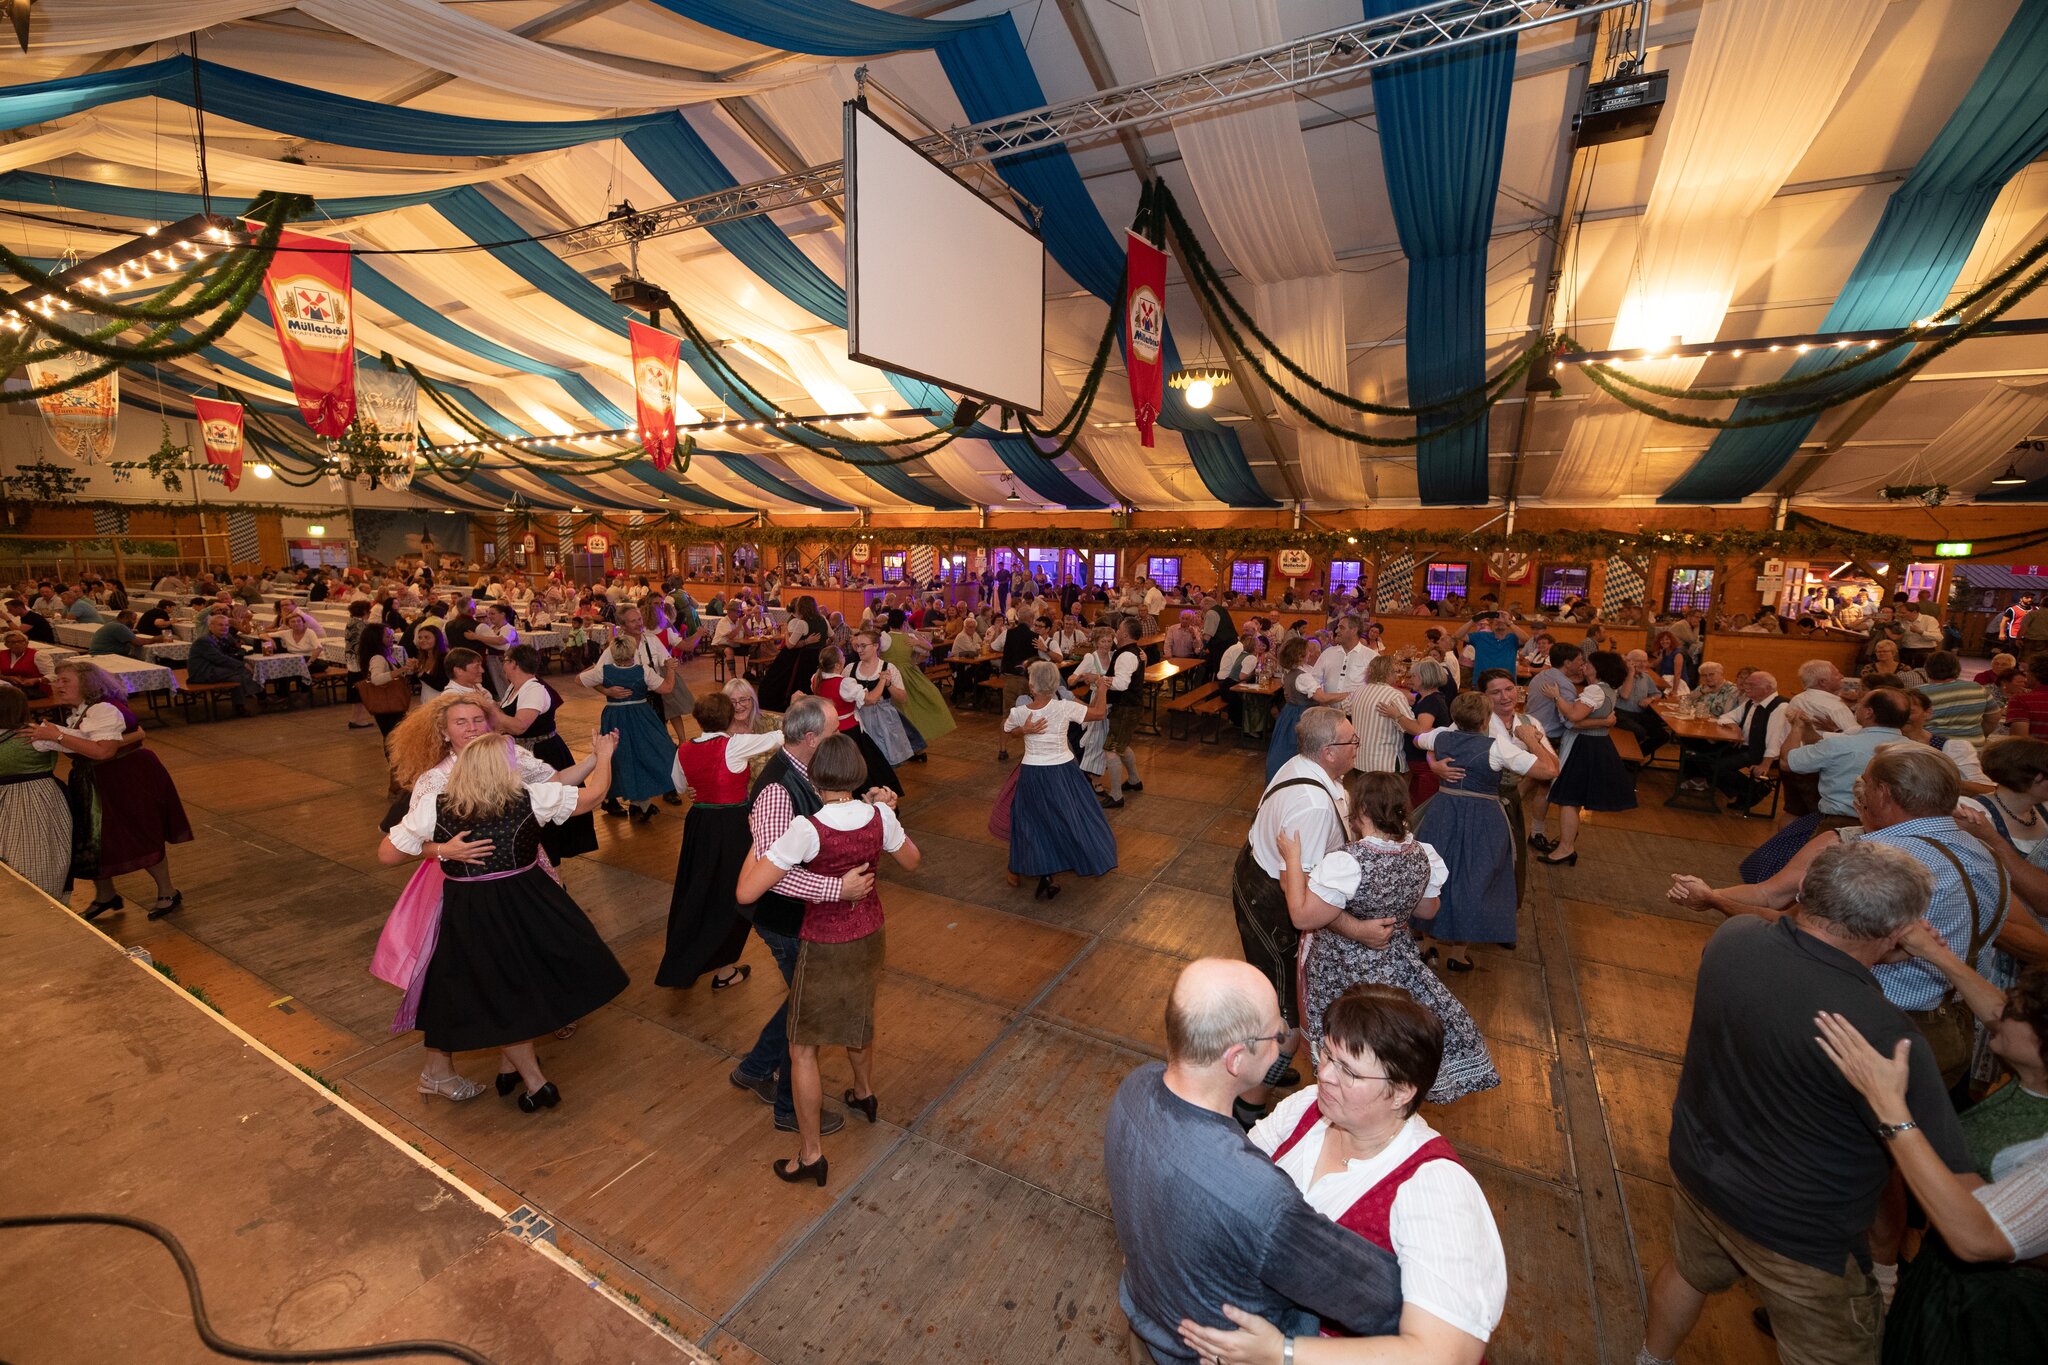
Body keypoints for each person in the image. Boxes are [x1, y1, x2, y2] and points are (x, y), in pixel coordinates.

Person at [1638, 841, 1976, 1365]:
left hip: (1702, 1174)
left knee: (1688, 1273)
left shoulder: (1733, 939)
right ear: (1897, 929)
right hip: (1804, 1235)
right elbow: (1962, 1198)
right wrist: (1933, 956)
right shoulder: (1885, 1034)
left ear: (1806, 891)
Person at [1181, 985, 1507, 1365]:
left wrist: (1282, 1353)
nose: (1324, 1075)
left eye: (1348, 1071)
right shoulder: (1308, 1108)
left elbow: (1444, 1353)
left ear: (1401, 1092)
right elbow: (1230, 1182)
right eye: (1327, 1054)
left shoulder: (1436, 1190)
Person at [1105, 959, 1403, 1363]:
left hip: (1149, 1327)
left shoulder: (1135, 1086)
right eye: (1276, 1034)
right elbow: (1383, 1299)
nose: (1282, 1041)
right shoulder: (1258, 1196)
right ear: (1236, 1060)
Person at [1671, 746, 2012, 1091]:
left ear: (1884, 793)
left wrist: (1714, 900)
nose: (1861, 793)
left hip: (1871, 1028)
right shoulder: (1985, 855)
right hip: (1954, 1030)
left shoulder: (1874, 858)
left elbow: (1800, 931)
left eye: (1867, 783)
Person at [380, 733, 625, 1112]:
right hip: (525, 904)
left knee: (501, 989)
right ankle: (532, 1081)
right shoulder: (529, 799)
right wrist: (604, 755)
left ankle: (516, 1071)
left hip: (472, 911)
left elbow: (388, 853)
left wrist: (440, 849)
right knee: (513, 987)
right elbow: (594, 796)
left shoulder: (436, 807)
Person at [1813, 984, 2048, 1365]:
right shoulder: (2031, 1084)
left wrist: (1891, 1110)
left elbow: (1976, 1237)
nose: (1998, 1014)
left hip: (1997, 1312)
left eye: (2014, 1013)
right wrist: (1934, 954)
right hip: (1940, 1276)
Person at [736, 732, 920, 1186]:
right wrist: (886, 814)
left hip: (825, 943)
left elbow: (747, 892)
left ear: (815, 777)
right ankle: (864, 1093)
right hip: (871, 932)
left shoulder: (807, 829)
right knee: (860, 1016)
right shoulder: (880, 815)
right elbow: (912, 861)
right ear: (858, 773)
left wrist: (759, 839)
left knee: (803, 1050)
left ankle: (811, 1154)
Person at [1277, 770, 1499, 1102]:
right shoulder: (1422, 853)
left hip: (1342, 970)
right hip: (1395, 964)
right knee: (1383, 1042)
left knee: (1348, 1041)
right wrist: (1398, 900)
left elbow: (1301, 915)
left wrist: (1293, 860)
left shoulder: (1348, 862)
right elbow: (1428, 909)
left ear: (1362, 810)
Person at [728, 698, 873, 1139]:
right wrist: (837, 889)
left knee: (801, 999)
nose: (840, 737)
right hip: (785, 919)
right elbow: (771, 873)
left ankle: (755, 1068)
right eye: (833, 732)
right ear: (811, 739)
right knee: (810, 1014)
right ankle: (790, 1110)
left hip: (801, 917)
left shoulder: (809, 772)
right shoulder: (778, 790)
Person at [1233, 706, 1356, 1124]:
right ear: (1327, 752)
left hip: (1255, 877)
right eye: (1351, 741)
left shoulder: (1302, 766)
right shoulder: (1314, 806)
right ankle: (1248, 1107)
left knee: (1276, 996)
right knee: (1288, 1021)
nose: (1357, 746)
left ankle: (1265, 1068)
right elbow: (1296, 894)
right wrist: (1357, 928)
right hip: (1270, 903)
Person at [1411, 689, 1558, 970]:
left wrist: (1434, 764)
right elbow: (1550, 770)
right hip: (1482, 818)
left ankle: (1426, 944)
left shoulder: (1441, 736)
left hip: (1443, 812)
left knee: (1435, 874)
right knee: (1475, 880)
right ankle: (1458, 953)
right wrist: (1531, 740)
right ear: (1485, 720)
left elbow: (1419, 739)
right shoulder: (1497, 747)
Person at [31, 660, 190, 921]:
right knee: (94, 837)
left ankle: (168, 891)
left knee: (138, 832)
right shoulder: (85, 709)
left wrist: (56, 736)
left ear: (87, 684)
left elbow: (103, 751)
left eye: (65, 680)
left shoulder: (103, 709)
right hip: (99, 778)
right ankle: (105, 895)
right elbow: (109, 740)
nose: (58, 686)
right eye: (57, 680)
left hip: (125, 777)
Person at [657, 691, 787, 991]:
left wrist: (698, 788)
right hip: (731, 826)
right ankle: (724, 969)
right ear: (729, 718)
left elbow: (680, 786)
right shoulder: (734, 745)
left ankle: (686, 961)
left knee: (696, 890)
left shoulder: (684, 749)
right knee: (734, 895)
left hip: (699, 825)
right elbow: (777, 738)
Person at [1002, 660, 1116, 900]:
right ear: (1055, 685)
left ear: (1032, 686)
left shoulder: (1020, 712)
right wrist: (1102, 689)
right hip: (1063, 772)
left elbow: (1007, 729)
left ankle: (1045, 871)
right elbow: (1099, 713)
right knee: (1070, 818)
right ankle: (1058, 866)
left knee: (1033, 821)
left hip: (1032, 773)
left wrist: (1023, 730)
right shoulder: (1064, 707)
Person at [486, 644, 597, 865]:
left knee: (545, 812)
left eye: (505, 661)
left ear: (514, 664)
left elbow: (519, 726)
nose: (503, 666)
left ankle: (550, 867)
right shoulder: (515, 687)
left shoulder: (533, 689)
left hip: (541, 753)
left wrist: (492, 710)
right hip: (524, 752)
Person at [1530, 649, 1634, 865]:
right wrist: (1604, 722)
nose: (1585, 665)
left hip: (1583, 746)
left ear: (1599, 668)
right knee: (1572, 798)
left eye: (1589, 663)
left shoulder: (1595, 690)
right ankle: (1566, 845)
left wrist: (1556, 696)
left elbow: (1573, 716)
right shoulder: (1608, 689)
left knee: (1568, 798)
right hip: (1596, 744)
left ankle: (1566, 848)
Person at [577, 603, 677, 822]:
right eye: (634, 621)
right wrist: (607, 690)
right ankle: (621, 799)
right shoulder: (615, 654)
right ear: (622, 626)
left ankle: (639, 802)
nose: (639, 623)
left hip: (640, 706)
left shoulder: (650, 641)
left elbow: (584, 678)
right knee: (627, 755)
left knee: (639, 753)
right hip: (635, 711)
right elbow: (591, 676)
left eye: (640, 619)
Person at [0, 681, 72, 897]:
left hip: (33, 799)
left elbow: (86, 745)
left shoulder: (38, 735)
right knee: (34, 855)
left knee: (30, 854)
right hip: (36, 795)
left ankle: (38, 901)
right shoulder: (37, 733)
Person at [1099, 616, 1147, 808]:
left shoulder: (1126, 655)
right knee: (1122, 745)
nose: (1116, 632)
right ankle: (1134, 781)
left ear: (1125, 634)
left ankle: (1116, 795)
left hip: (1126, 708)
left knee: (1111, 750)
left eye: (1118, 629)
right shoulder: (1136, 652)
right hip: (1130, 706)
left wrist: (1098, 679)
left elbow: (1120, 684)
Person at [1263, 637, 1319, 784]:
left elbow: (1288, 695)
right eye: (1307, 651)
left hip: (1289, 713)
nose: (1309, 654)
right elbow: (1321, 697)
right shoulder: (1302, 676)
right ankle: (1291, 781)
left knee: (1283, 749)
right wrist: (1346, 694)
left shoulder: (1289, 673)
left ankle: (1280, 780)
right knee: (1294, 750)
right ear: (1300, 654)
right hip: (1300, 715)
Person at [1346, 654, 1412, 776]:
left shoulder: (1359, 691)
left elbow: (1346, 708)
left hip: (1359, 760)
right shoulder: (1394, 695)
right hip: (1385, 762)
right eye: (1395, 671)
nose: (1397, 676)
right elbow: (1409, 726)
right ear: (1387, 672)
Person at [1919, 651, 1998, 748]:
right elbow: (1993, 718)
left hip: (1933, 750)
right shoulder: (1978, 688)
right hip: (1973, 748)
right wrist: (1980, 735)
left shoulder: (1918, 693)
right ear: (1958, 668)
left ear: (1927, 669)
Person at [187, 611, 259, 715]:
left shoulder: (226, 637)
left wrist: (238, 653)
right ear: (211, 626)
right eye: (220, 625)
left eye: (226, 625)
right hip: (202, 672)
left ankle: (240, 706)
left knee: (238, 678)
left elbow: (238, 649)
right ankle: (259, 696)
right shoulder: (203, 641)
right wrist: (243, 664)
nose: (224, 628)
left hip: (216, 669)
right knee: (243, 670)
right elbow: (220, 659)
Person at [0, 629, 52, 697]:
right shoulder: (2, 654)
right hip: (10, 689)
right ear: (6, 644)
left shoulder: (38, 655)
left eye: (20, 641)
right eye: (12, 642)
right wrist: (7, 678)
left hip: (36, 690)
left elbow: (53, 675)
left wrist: (36, 680)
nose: (16, 644)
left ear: (27, 643)